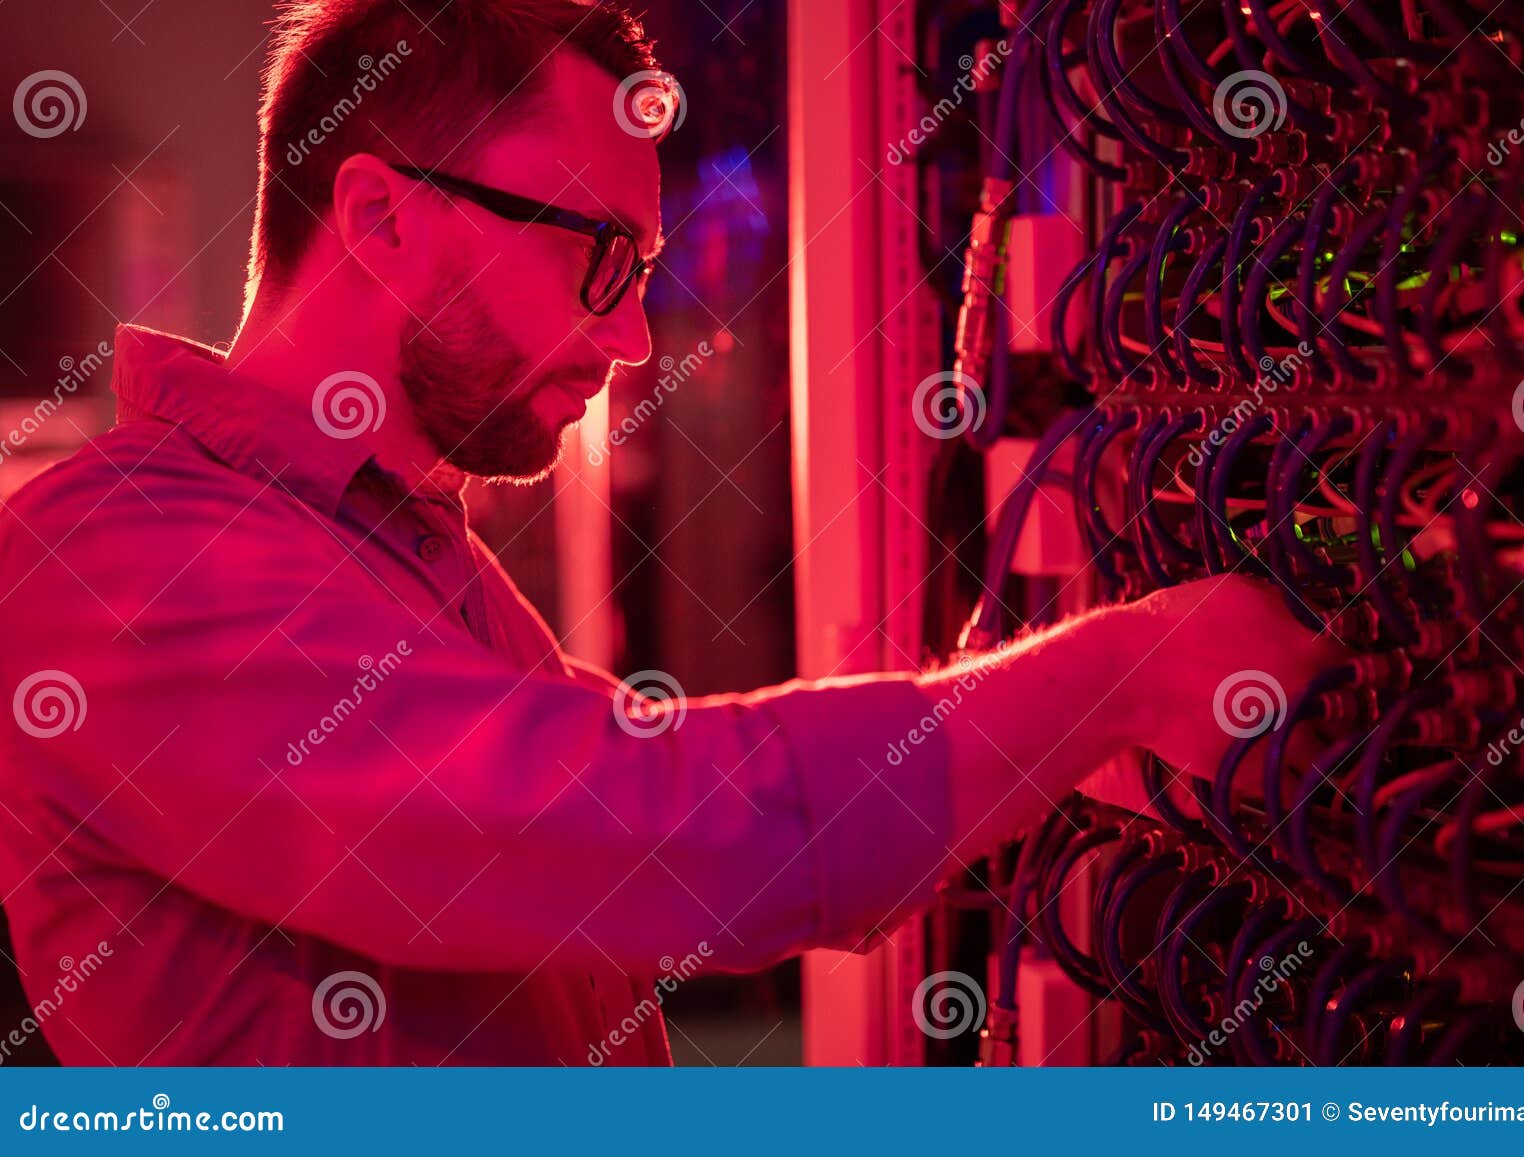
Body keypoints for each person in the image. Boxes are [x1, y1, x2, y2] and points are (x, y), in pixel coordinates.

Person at [0, 0, 1334, 1065]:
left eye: (637, 277)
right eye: (596, 257)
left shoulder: (407, 556)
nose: (631, 338)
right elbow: (661, 831)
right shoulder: (112, 559)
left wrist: (1049, 737)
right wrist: (1131, 670)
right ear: (382, 217)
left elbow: (656, 814)